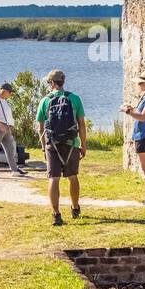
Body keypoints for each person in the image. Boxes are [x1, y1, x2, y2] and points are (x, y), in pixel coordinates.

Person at [35, 69, 86, 226]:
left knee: (53, 179)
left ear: (51, 83)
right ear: (63, 82)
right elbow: (82, 125)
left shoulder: (45, 101)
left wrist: (44, 148)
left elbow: (40, 128)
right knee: (72, 177)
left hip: (52, 144)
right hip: (71, 144)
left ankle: (56, 214)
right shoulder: (75, 99)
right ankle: (75, 208)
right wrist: (83, 145)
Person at [121, 71, 145, 206]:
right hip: (142, 135)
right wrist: (131, 109)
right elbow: (140, 113)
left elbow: (143, 117)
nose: (139, 84)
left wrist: (128, 111)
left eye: (141, 82)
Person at [0, 81, 27, 178]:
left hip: (6, 128)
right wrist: (1, 126)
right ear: (4, 91)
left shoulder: (4, 100)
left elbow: (6, 116)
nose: (11, 94)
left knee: (10, 149)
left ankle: (15, 170)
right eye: (10, 92)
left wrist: (8, 127)